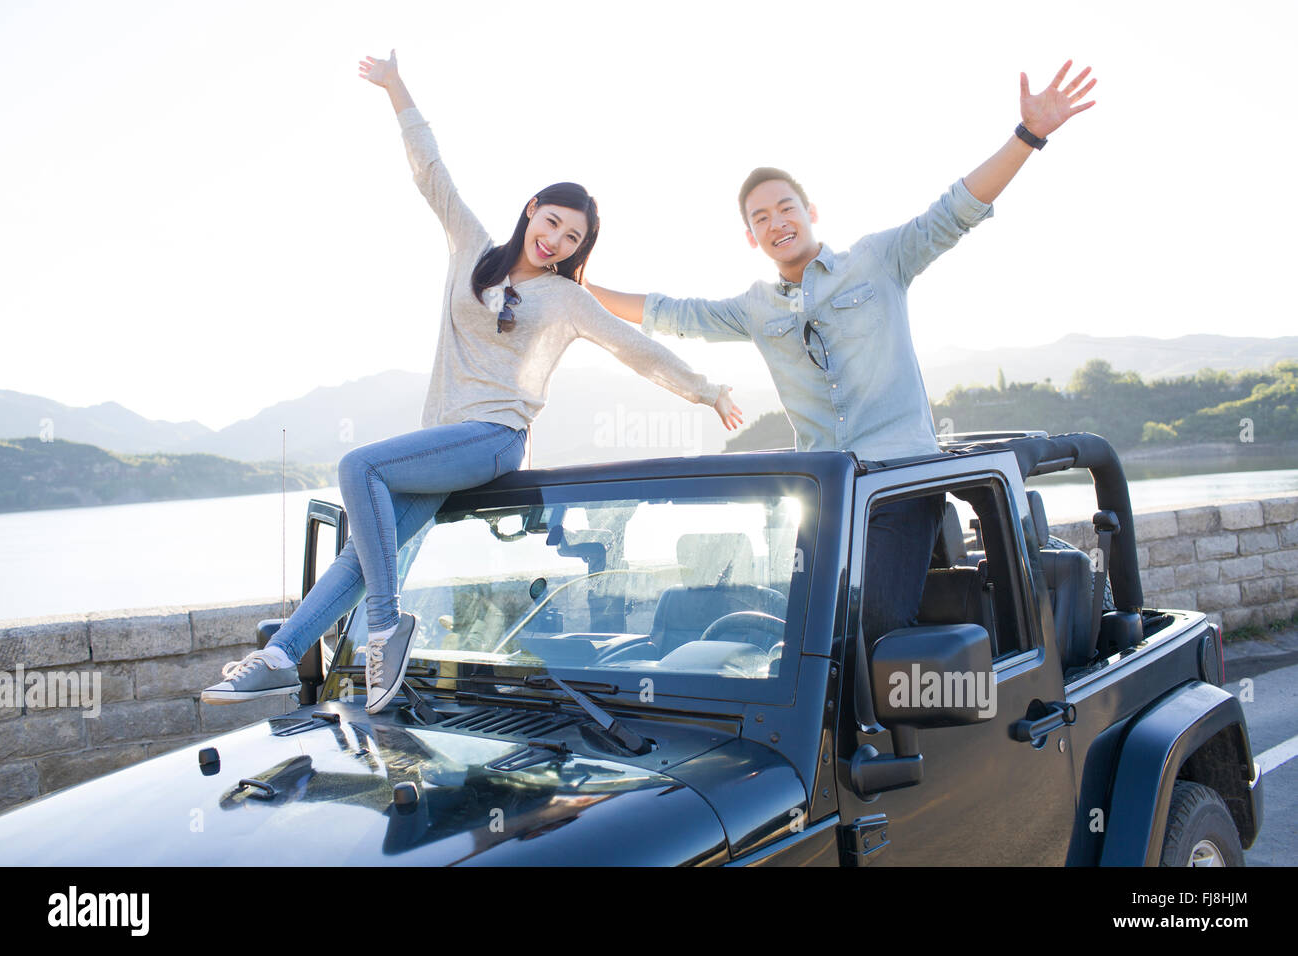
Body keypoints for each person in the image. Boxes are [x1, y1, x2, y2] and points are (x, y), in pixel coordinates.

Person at [202, 49, 742, 715]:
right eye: (553, 223)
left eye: (573, 238)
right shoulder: (472, 248)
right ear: (533, 209)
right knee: (360, 556)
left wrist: (705, 389)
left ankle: (384, 625)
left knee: (358, 467)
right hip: (443, 443)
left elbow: (634, 347)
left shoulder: (564, 300)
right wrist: (397, 87)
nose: (558, 241)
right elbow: (431, 173)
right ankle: (281, 656)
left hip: (492, 439)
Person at [586, 61, 1096, 641]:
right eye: (761, 217)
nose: (777, 221)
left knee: (869, 627)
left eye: (785, 207)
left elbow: (955, 210)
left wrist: (1027, 136)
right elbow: (670, 313)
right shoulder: (755, 308)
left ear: (810, 212)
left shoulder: (878, 261)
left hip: (901, 485)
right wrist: (580, 287)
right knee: (805, 640)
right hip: (826, 499)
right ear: (751, 237)